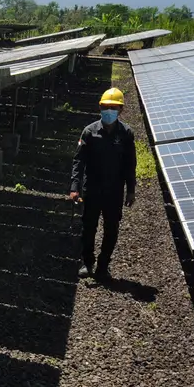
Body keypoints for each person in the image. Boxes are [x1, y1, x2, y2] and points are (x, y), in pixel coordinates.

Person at [69, 87, 137, 282]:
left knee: (111, 229)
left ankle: (103, 265)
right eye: (106, 107)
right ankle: (87, 262)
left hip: (114, 192)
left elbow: (130, 164)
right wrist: (75, 187)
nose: (109, 111)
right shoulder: (89, 132)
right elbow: (78, 161)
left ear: (120, 110)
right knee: (88, 227)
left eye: (113, 107)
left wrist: (130, 190)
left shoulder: (126, 134)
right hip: (92, 190)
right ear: (100, 107)